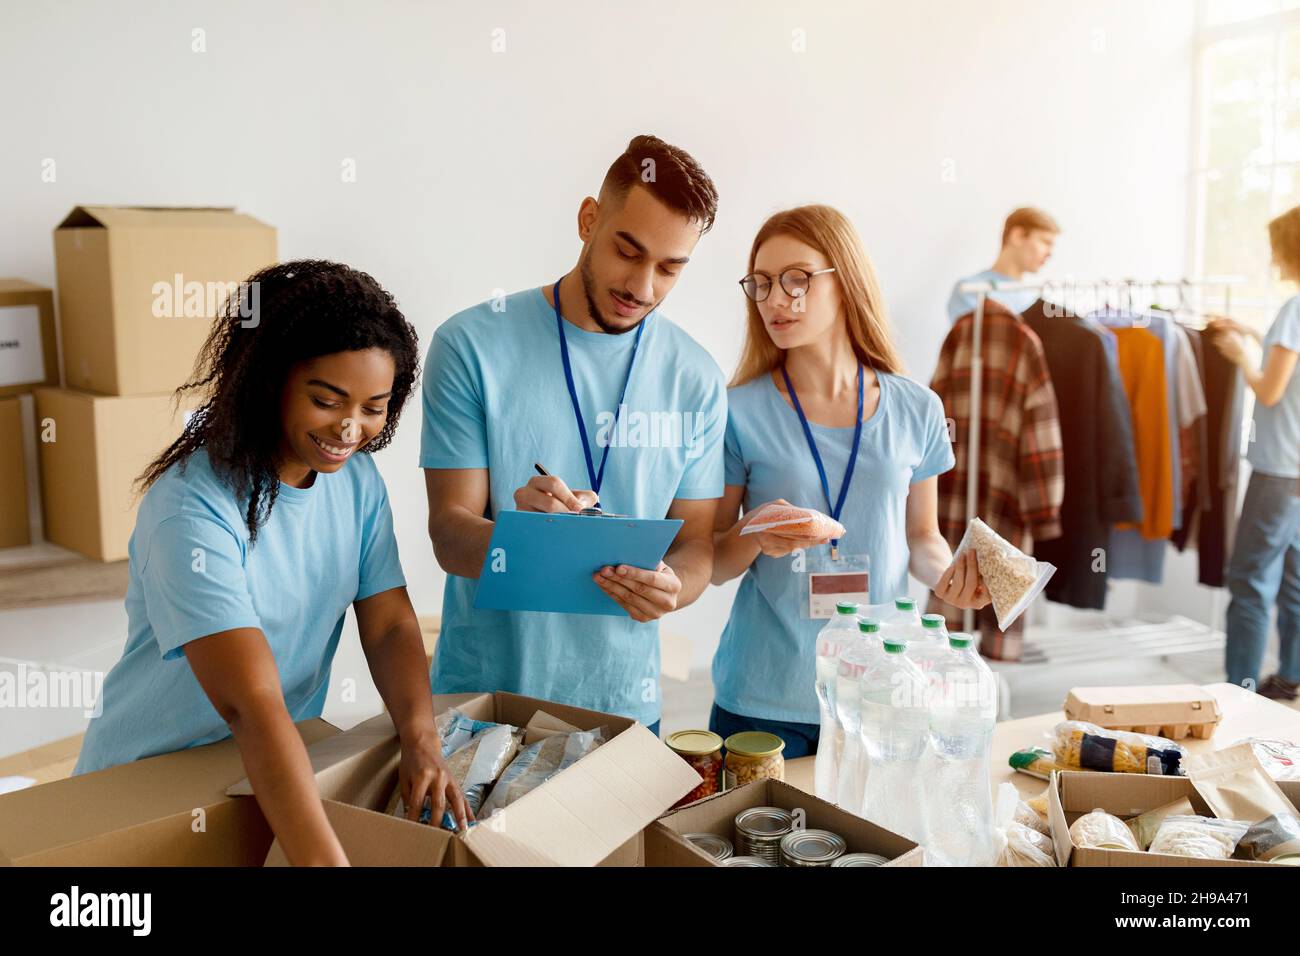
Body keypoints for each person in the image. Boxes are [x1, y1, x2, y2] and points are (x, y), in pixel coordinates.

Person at [73, 261, 468, 866]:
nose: (349, 427)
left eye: (373, 406)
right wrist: (322, 862)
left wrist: (422, 740)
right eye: (326, 399)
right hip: (147, 783)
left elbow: (387, 621)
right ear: (267, 380)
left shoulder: (355, 483)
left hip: (267, 773)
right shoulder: (191, 510)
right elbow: (250, 703)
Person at [421, 135, 726, 736]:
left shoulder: (696, 379)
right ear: (590, 219)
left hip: (623, 711)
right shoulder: (471, 346)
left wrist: (675, 588)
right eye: (628, 251)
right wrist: (525, 536)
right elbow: (449, 535)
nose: (642, 286)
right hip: (481, 708)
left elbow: (696, 545)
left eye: (669, 268)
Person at [708, 205, 990, 755]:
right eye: (762, 284)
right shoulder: (737, 411)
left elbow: (922, 539)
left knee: (875, 843)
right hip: (761, 697)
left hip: (879, 694)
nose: (775, 300)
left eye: (797, 279)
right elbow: (713, 562)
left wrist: (948, 576)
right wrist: (755, 537)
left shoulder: (917, 408)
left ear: (846, 280)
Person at [1208, 204, 1300, 700]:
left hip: (1277, 470)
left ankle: (1238, 690)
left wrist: (1244, 356)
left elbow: (1269, 390)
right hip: (1297, 471)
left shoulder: (1293, 310)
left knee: (1248, 583)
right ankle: (1292, 674)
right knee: (1293, 579)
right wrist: (1250, 331)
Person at [946, 207, 1058, 321]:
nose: (1050, 253)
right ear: (1017, 236)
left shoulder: (1035, 298)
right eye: (1046, 242)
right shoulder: (970, 290)